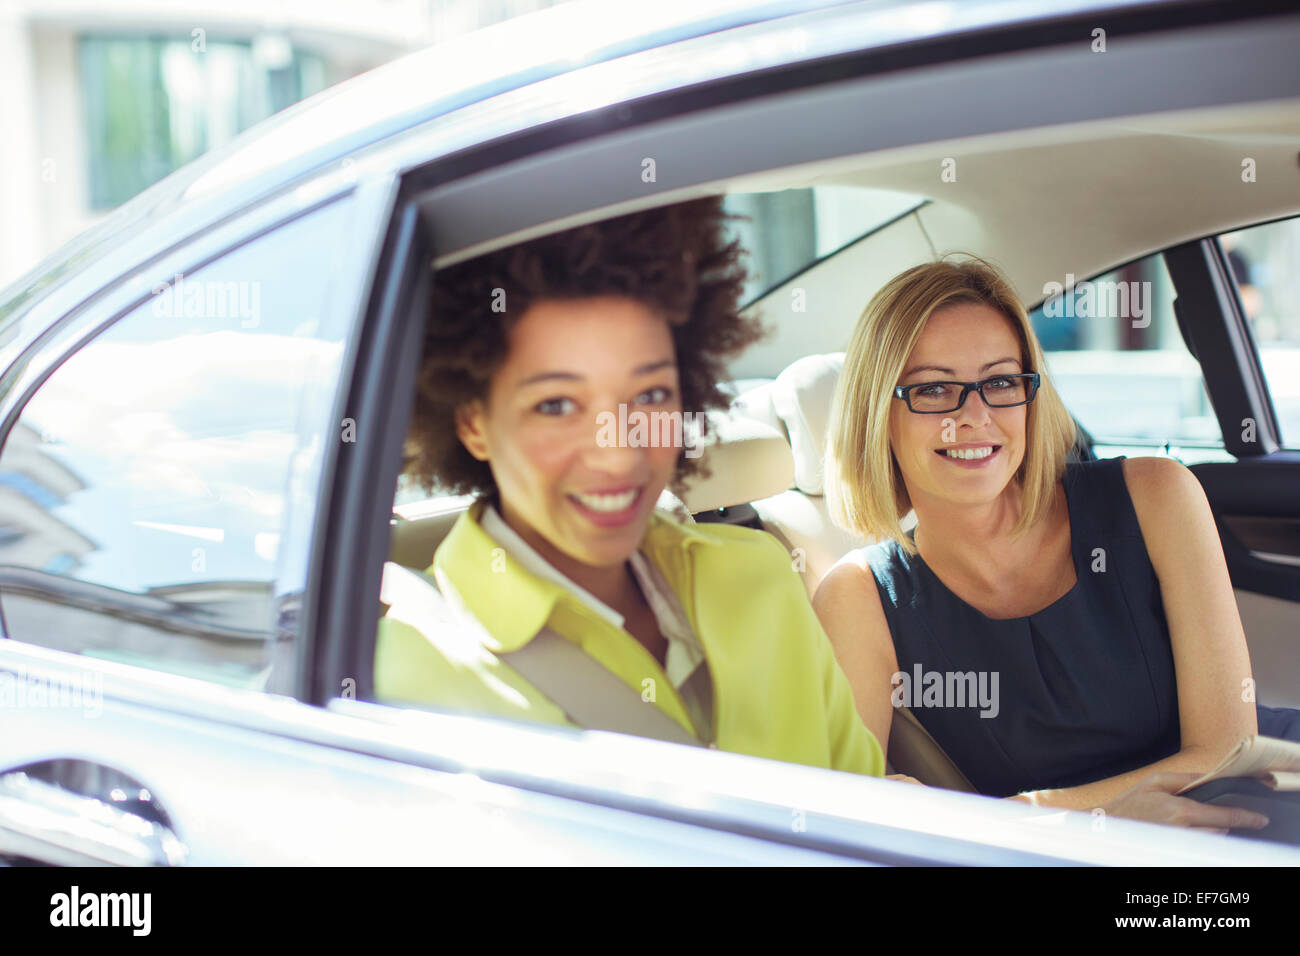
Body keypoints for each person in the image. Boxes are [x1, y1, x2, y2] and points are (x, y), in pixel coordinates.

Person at [373, 197, 884, 777]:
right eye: (558, 404)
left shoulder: (762, 578)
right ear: (472, 422)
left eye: (649, 396)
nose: (618, 450)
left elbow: (862, 814)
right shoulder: (405, 675)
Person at [814, 255, 1276, 833]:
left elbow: (1229, 752)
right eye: (934, 389)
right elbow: (846, 821)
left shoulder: (1156, 494)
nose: (975, 416)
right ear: (878, 413)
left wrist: (1056, 815)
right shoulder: (862, 596)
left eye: (1002, 381)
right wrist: (1093, 825)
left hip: (1256, 809)